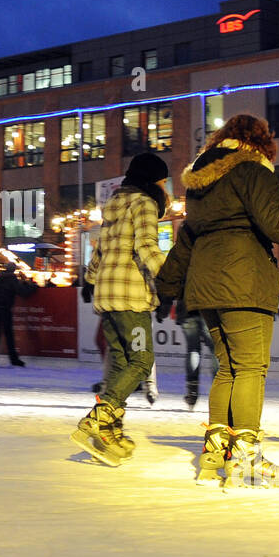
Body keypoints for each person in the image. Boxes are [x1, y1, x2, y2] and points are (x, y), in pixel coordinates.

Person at [155, 114, 279, 489]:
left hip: (205, 286)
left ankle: (215, 453)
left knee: (227, 368)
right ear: (261, 142)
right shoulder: (254, 171)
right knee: (250, 368)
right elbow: (276, 227)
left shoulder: (201, 183)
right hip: (244, 280)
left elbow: (186, 241)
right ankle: (246, 453)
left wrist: (165, 288)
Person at [75, 153, 170, 465]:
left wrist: (90, 280)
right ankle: (100, 417)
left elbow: (100, 250)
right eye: (163, 181)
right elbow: (147, 248)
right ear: (153, 180)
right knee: (142, 361)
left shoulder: (114, 206)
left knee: (120, 362)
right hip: (131, 296)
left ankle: (110, 430)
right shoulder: (144, 203)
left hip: (107, 295)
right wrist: (173, 277)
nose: (165, 188)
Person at [0, 266, 31, 367]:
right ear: (13, 270)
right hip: (4, 308)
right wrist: (32, 286)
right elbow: (23, 292)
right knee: (8, 334)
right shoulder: (12, 279)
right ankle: (13, 359)